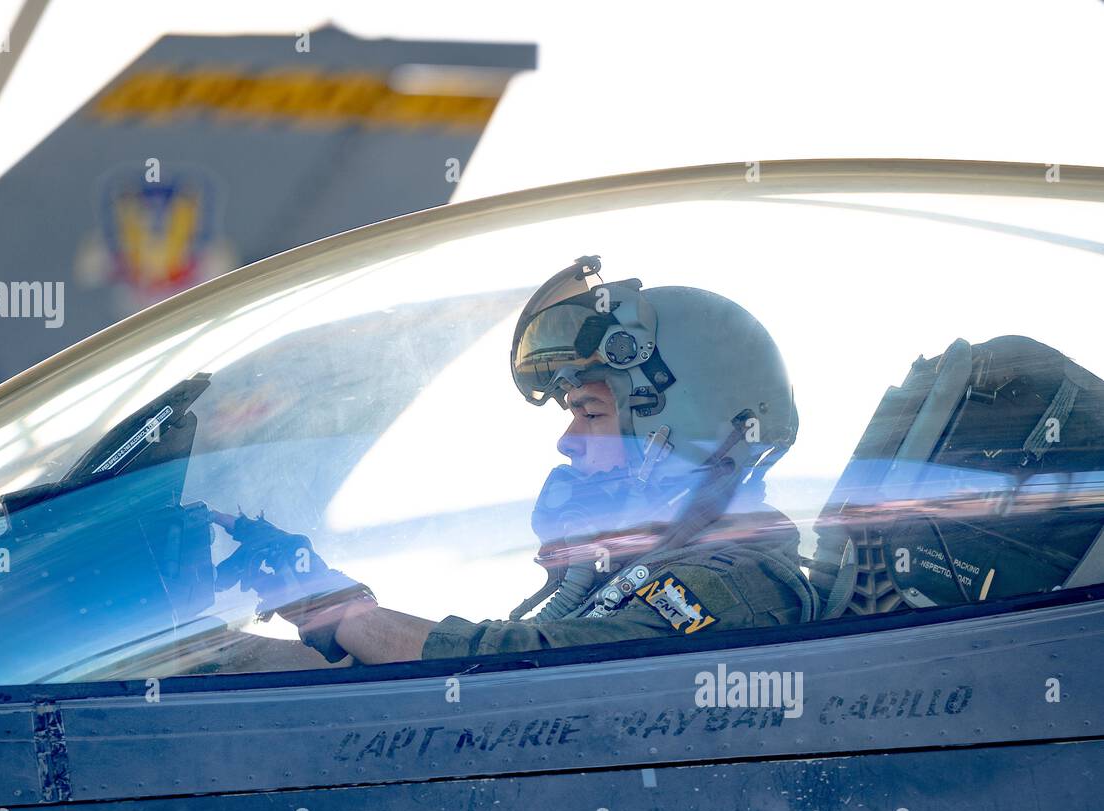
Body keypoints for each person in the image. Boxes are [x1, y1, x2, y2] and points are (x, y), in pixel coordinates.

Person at [209, 256, 819, 666]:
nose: (567, 439)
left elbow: (519, 674)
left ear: (678, 426)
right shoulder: (641, 568)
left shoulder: (739, 588)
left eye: (591, 412)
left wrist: (344, 614)